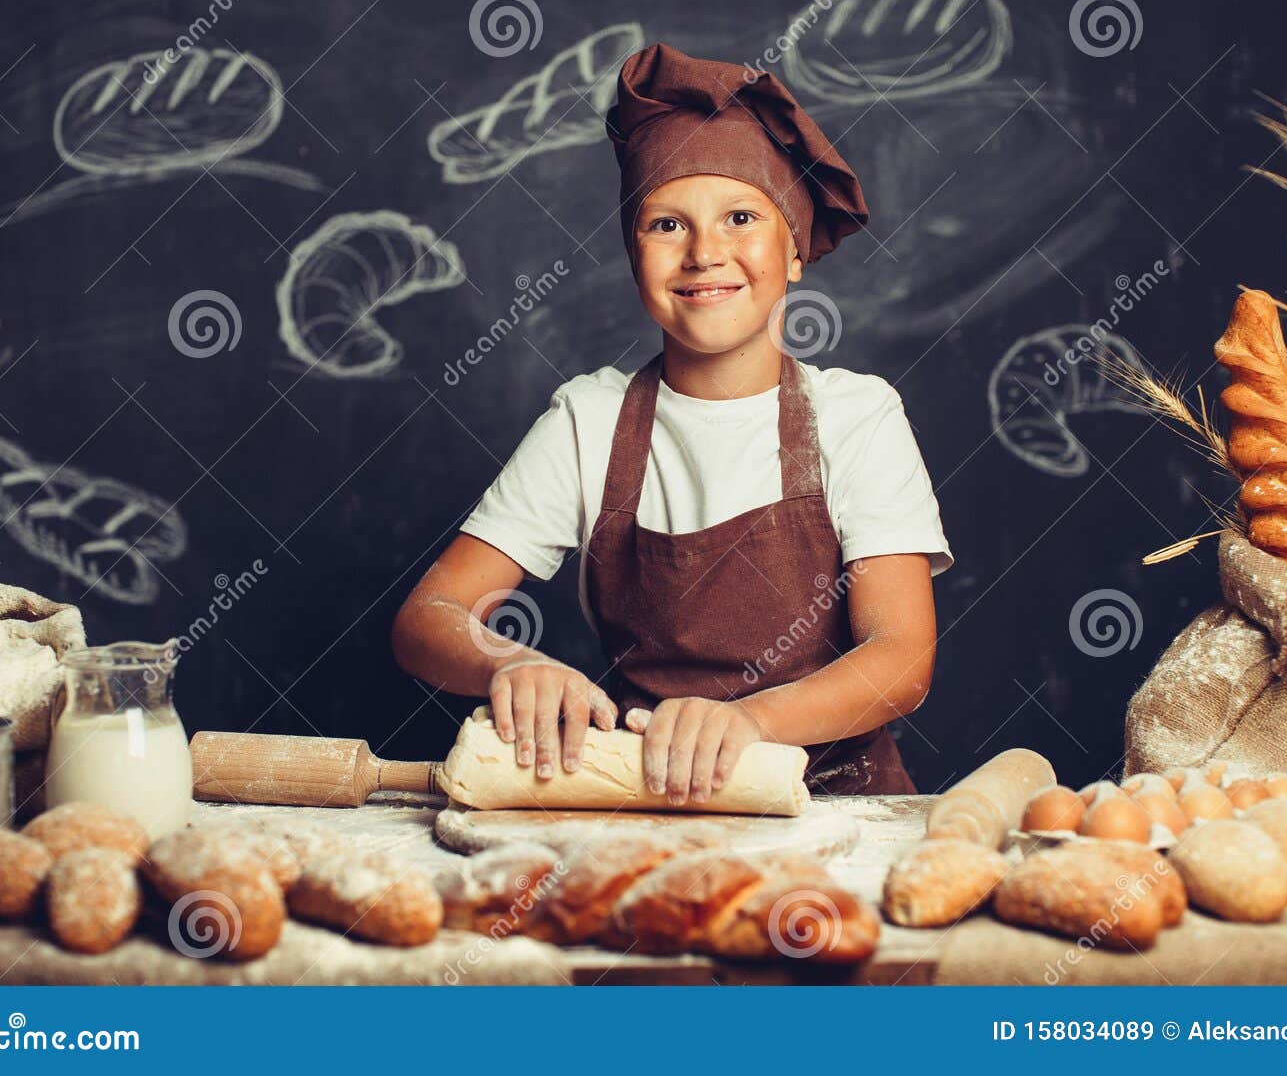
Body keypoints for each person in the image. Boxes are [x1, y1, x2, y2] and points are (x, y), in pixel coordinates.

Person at [393, 42, 952, 800]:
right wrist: (508, 663)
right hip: (646, 801)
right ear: (633, 253)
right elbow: (428, 616)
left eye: (742, 217)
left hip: (841, 809)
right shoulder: (588, 421)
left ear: (794, 251)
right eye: (666, 225)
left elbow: (901, 658)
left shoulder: (856, 417)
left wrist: (751, 723)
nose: (704, 253)